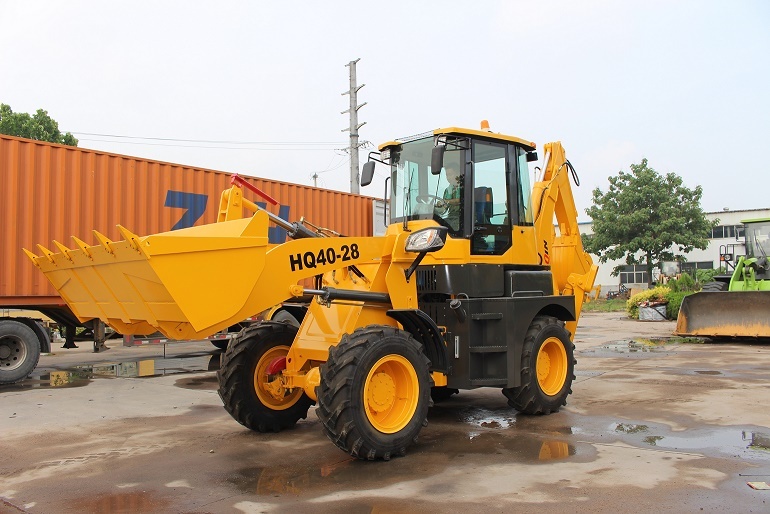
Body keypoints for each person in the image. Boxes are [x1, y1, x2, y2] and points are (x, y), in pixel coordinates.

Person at [436, 165, 462, 230]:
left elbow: (459, 201)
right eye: (447, 175)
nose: (448, 177)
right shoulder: (448, 190)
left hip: (464, 218)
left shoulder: (464, 187)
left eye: (450, 174)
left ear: (457, 174)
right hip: (452, 217)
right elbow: (444, 208)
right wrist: (438, 206)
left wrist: (445, 201)